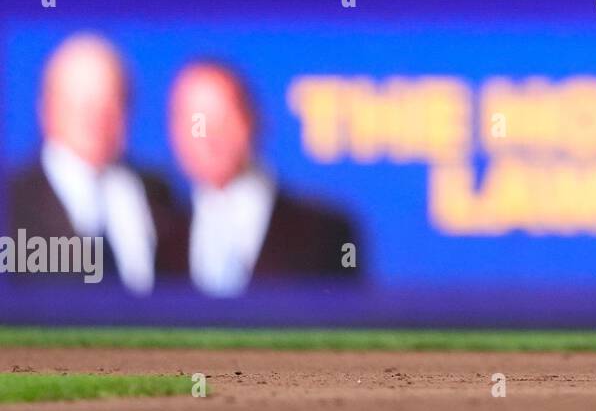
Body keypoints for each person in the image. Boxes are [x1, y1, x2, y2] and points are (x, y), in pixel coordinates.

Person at [6, 32, 187, 293]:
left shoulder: (159, 194)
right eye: (81, 101)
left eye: (111, 99)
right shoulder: (11, 201)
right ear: (47, 108)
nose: (97, 117)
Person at [167, 61, 361, 297]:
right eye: (195, 121)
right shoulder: (160, 236)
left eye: (224, 118)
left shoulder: (327, 233)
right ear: (173, 132)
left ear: (251, 120)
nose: (209, 136)